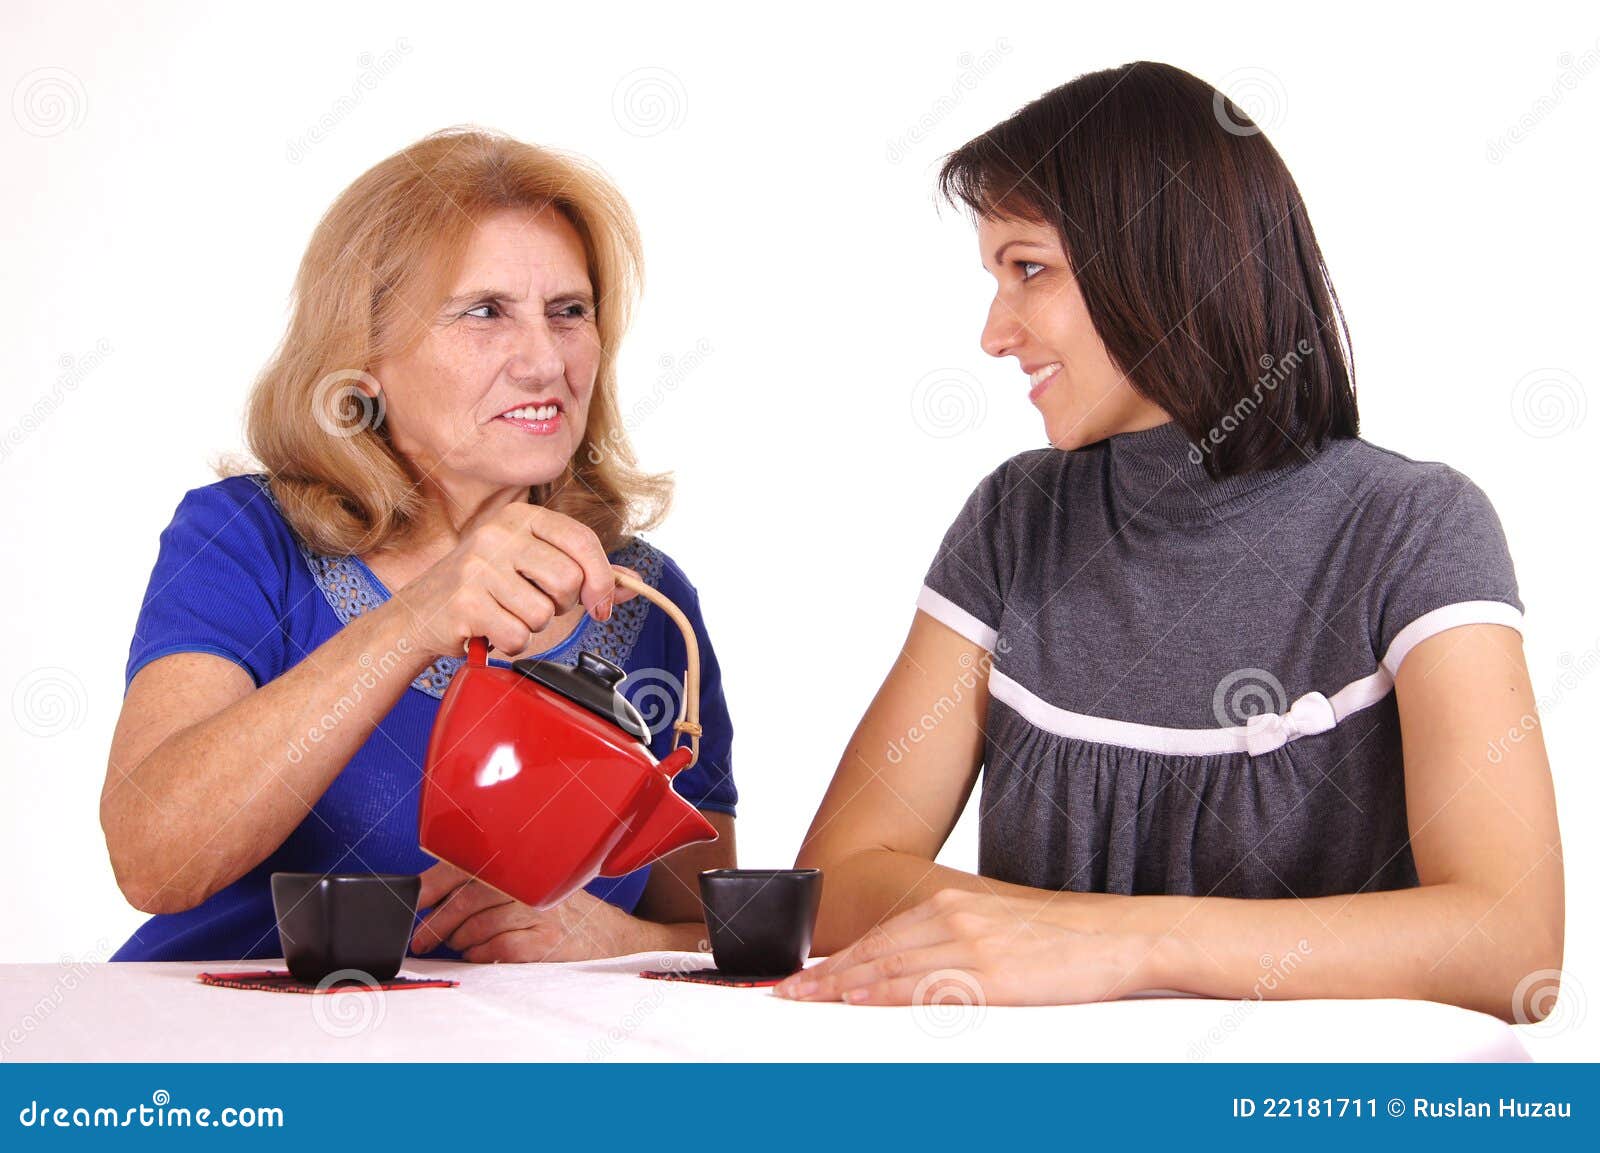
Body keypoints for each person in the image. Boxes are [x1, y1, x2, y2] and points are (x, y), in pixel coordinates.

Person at [780, 62, 1563, 1021]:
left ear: (1164, 260)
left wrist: (1117, 943)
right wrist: (1065, 940)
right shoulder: (1013, 522)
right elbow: (836, 880)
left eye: (1029, 270)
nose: (994, 331)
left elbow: (1510, 940)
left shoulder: (1414, 528)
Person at [103, 128, 736, 965]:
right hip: (227, 1062)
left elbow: (722, 932)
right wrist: (415, 619)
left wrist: (624, 938)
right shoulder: (244, 539)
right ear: (361, 359)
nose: (545, 361)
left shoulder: (645, 601)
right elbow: (155, 860)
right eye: (484, 312)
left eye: (569, 312)